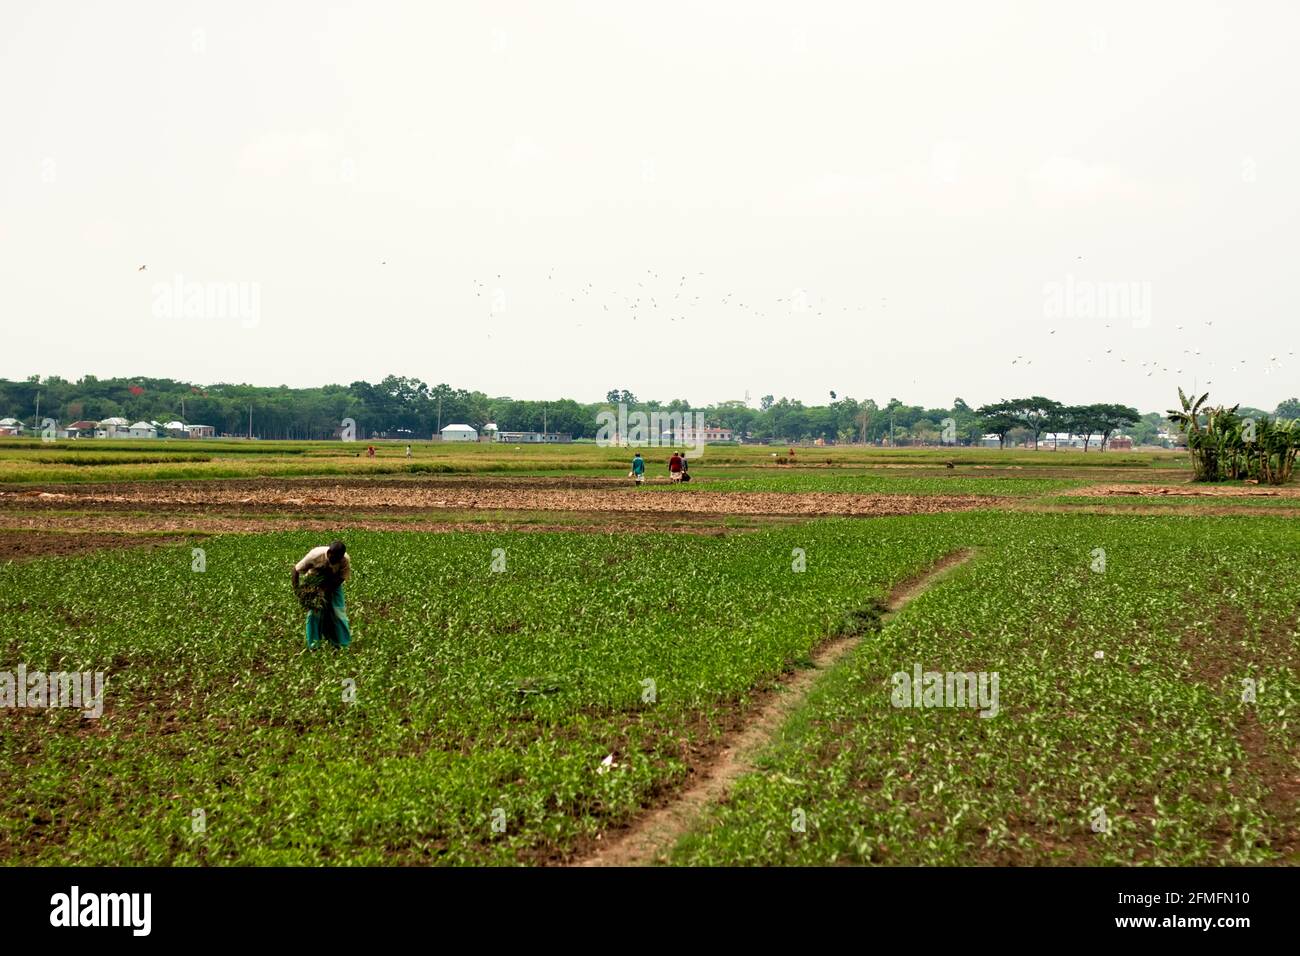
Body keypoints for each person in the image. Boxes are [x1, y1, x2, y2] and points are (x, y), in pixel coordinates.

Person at [292, 540, 352, 649]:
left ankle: (342, 644)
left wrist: (327, 590)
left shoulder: (344, 559)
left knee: (338, 612)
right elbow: (296, 570)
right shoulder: (315, 555)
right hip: (315, 582)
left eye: (338, 560)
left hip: (333, 583)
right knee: (315, 613)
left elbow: (342, 577)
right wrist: (297, 591)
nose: (335, 562)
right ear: (329, 553)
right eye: (333, 559)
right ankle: (314, 645)